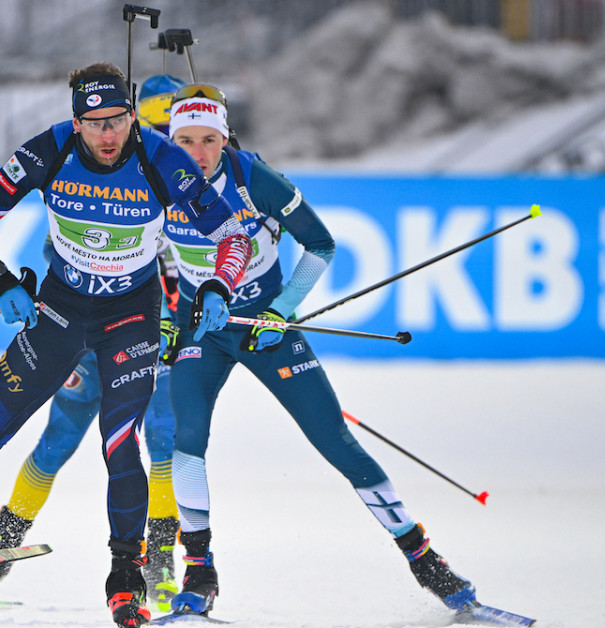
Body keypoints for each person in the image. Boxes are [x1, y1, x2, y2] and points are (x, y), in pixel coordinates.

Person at [0, 63, 251, 628]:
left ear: (133, 114)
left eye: (117, 120)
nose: (108, 135)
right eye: (94, 123)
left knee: (120, 445)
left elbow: (233, 235)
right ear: (76, 121)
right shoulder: (48, 152)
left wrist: (216, 286)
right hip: (59, 310)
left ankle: (125, 576)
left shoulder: (161, 159)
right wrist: (3, 282)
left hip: (129, 319)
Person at [160, 84, 482, 618]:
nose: (196, 152)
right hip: (203, 328)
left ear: (225, 138)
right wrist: (170, 319)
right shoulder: (159, 176)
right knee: (184, 441)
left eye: (208, 140)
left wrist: (282, 310)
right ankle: (199, 571)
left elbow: (321, 244)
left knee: (334, 439)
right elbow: (147, 249)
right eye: (186, 140)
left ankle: (427, 562)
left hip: (263, 325)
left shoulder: (253, 179)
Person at [0, 74, 191, 615]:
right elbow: (60, 240)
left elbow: (212, 242)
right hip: (76, 318)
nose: (163, 135)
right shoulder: (89, 158)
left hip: (146, 329)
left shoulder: (170, 165)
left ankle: (159, 558)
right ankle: (1, 550)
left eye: (174, 126)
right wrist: (12, 285)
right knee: (57, 440)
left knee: (157, 437)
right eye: (158, 121)